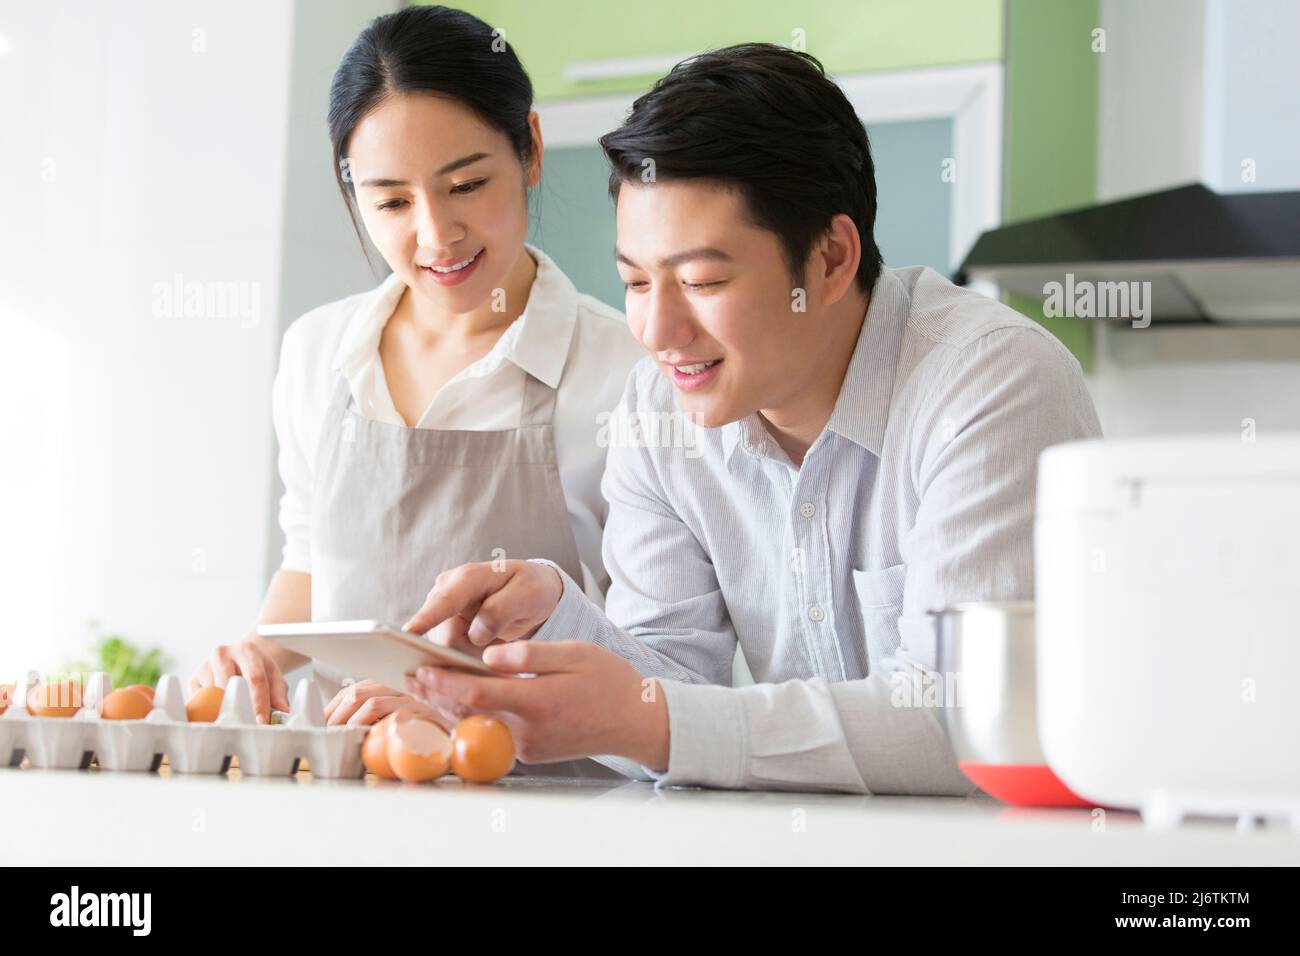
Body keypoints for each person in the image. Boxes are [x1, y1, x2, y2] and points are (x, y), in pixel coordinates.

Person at [398, 43, 1104, 794]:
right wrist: (558, 620)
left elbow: (961, 720)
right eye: (635, 282)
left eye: (702, 280)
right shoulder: (656, 412)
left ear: (831, 258)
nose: (659, 332)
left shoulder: (988, 381)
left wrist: (657, 723)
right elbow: (670, 682)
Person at [187, 6, 641, 731]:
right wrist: (260, 651)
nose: (436, 234)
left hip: (551, 804)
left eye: (465, 186)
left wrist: (458, 708)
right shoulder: (318, 352)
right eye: (393, 200)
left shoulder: (625, 369)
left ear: (529, 148)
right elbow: (310, 563)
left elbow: (649, 656)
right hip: (346, 781)